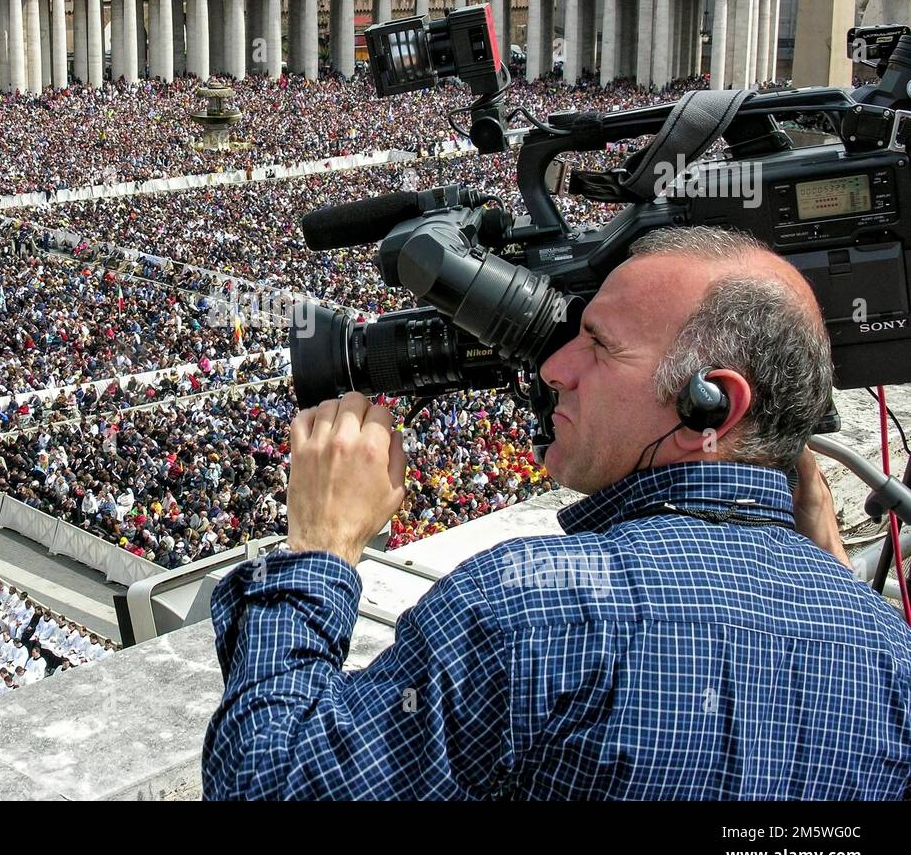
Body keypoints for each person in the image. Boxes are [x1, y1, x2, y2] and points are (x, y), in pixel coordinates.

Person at [202, 226, 911, 800]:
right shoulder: (892, 657)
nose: (552, 367)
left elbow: (262, 781)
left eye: (598, 345)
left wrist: (319, 551)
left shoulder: (531, 609)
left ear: (712, 404)